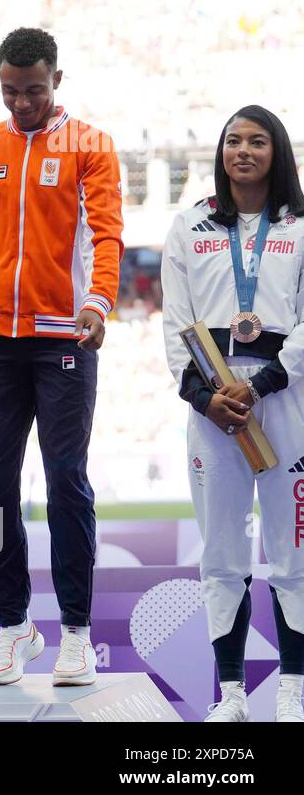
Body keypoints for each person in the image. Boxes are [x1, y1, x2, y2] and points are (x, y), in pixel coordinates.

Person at [0, 28, 123, 686]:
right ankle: (13, 626)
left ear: (57, 81)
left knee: (66, 479)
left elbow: (105, 234)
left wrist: (98, 302)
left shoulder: (91, 145)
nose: (22, 104)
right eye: (10, 92)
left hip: (64, 337)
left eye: (34, 91)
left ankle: (76, 630)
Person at [160, 105, 304, 722]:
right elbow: (175, 317)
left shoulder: (300, 225)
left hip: (287, 397)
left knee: (292, 547)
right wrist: (202, 396)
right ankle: (232, 694)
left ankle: (294, 687)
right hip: (215, 403)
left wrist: (270, 380)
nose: (242, 151)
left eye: (257, 141)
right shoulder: (190, 226)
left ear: (277, 152)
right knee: (221, 552)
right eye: (232, 141)